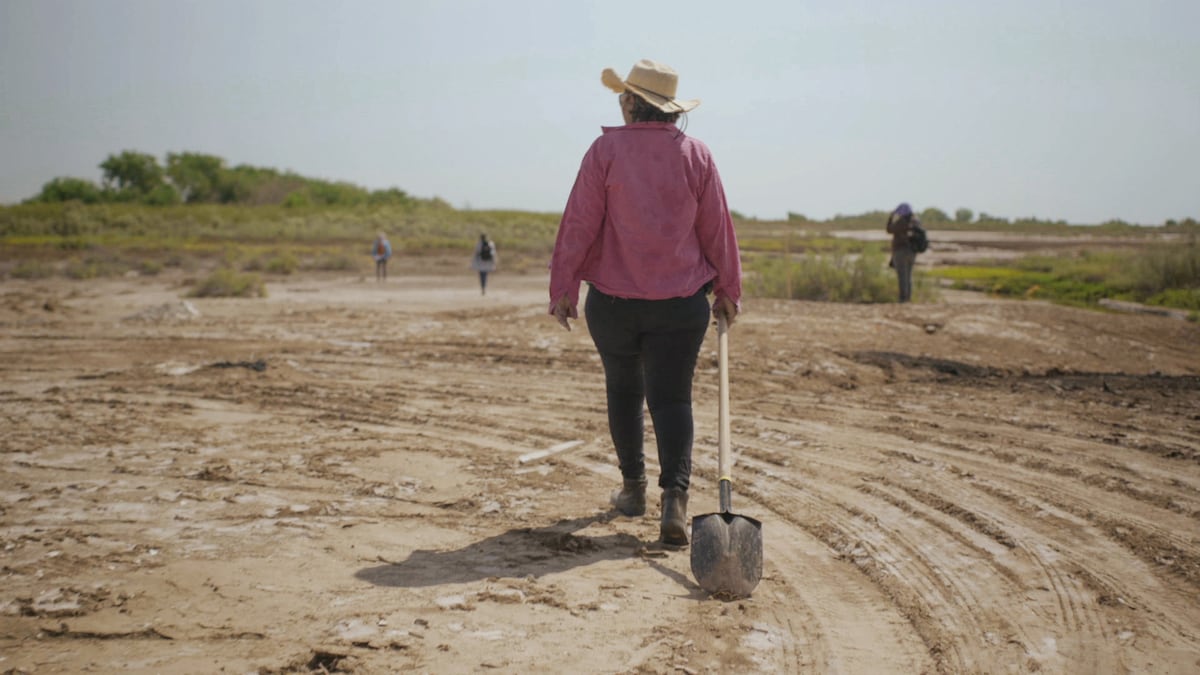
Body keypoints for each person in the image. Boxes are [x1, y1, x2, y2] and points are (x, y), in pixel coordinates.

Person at [549, 59, 742, 547]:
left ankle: (633, 489)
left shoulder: (604, 151)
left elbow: (579, 223)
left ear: (632, 103)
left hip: (613, 304)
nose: (619, 101)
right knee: (672, 398)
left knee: (624, 390)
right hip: (680, 305)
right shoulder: (696, 154)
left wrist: (563, 287)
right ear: (671, 110)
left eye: (623, 96)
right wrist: (728, 289)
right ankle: (673, 501)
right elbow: (717, 227)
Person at [886, 203, 920, 302]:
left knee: (902, 276)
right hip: (912, 252)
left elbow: (889, 229)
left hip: (901, 251)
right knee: (908, 276)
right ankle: (908, 298)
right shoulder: (916, 221)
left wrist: (891, 217)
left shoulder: (902, 221)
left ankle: (903, 299)